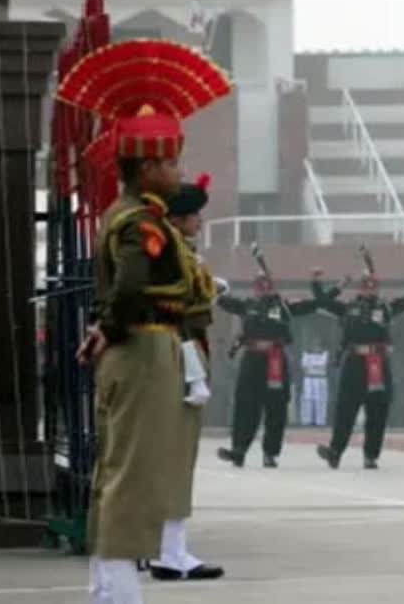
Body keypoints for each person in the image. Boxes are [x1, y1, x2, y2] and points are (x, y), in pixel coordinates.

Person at [62, 38, 231, 603]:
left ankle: (106, 582)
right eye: (173, 160)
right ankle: (116, 584)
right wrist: (109, 328)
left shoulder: (136, 216)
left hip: (142, 348)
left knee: (120, 468)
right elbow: (132, 285)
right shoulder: (142, 223)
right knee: (133, 472)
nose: (178, 171)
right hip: (142, 349)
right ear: (151, 163)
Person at [146, 172, 225, 581]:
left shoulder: (182, 251)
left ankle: (171, 548)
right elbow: (177, 308)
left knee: (179, 458)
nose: (200, 222)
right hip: (179, 355)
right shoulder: (171, 252)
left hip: (186, 351)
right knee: (175, 457)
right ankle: (167, 551)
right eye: (195, 216)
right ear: (178, 219)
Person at [313, 264, 404, 469]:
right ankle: (335, 452)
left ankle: (371, 455)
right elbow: (322, 301)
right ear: (359, 289)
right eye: (365, 286)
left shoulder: (386, 308)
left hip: (378, 364)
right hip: (354, 363)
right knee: (345, 410)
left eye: (373, 286)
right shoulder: (348, 308)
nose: (369, 290)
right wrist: (323, 282)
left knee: (377, 411)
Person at [216, 273, 320, 468]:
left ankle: (270, 453)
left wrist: (316, 287)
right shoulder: (247, 305)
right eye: (259, 287)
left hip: (275, 361)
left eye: (267, 287)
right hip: (252, 360)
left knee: (276, 408)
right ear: (254, 289)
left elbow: (313, 305)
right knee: (245, 406)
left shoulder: (283, 307)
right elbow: (222, 301)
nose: (263, 290)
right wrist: (211, 287)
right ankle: (239, 450)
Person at [301, 337, 331, 427]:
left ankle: (320, 421)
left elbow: (323, 365)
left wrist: (311, 366)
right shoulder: (306, 353)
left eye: (318, 344)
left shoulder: (325, 353)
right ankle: (307, 420)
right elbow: (304, 366)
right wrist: (314, 366)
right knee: (308, 400)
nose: (316, 346)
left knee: (320, 400)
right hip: (309, 379)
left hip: (320, 379)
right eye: (314, 344)